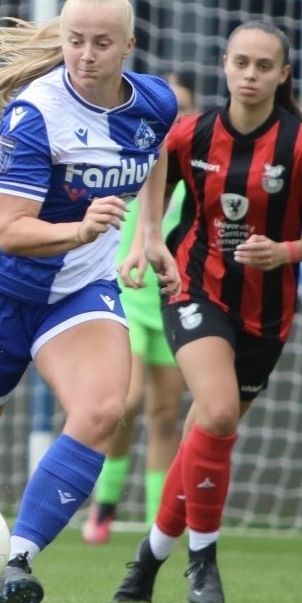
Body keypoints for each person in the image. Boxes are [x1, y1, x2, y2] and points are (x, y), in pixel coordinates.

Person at [0, 0, 180, 603]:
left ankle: (17, 558)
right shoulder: (36, 114)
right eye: (74, 42)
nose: (85, 56)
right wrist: (82, 229)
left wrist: (148, 234)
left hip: (78, 289)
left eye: (102, 44)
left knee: (104, 410)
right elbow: (13, 232)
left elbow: (158, 150)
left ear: (128, 47)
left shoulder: (155, 100)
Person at [111, 19, 302, 603]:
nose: (250, 74)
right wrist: (148, 238)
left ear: (283, 75)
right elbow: (155, 174)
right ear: (225, 65)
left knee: (201, 435)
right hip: (195, 289)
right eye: (240, 62)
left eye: (263, 66)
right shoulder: (191, 134)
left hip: (266, 317)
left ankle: (145, 563)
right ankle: (203, 562)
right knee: (216, 414)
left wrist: (286, 251)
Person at [82, 71, 197, 545]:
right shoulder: (133, 156)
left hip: (171, 295)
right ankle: (104, 507)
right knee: (124, 404)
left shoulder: (197, 175)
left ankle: (156, 520)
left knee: (165, 413)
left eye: (184, 107)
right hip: (128, 290)